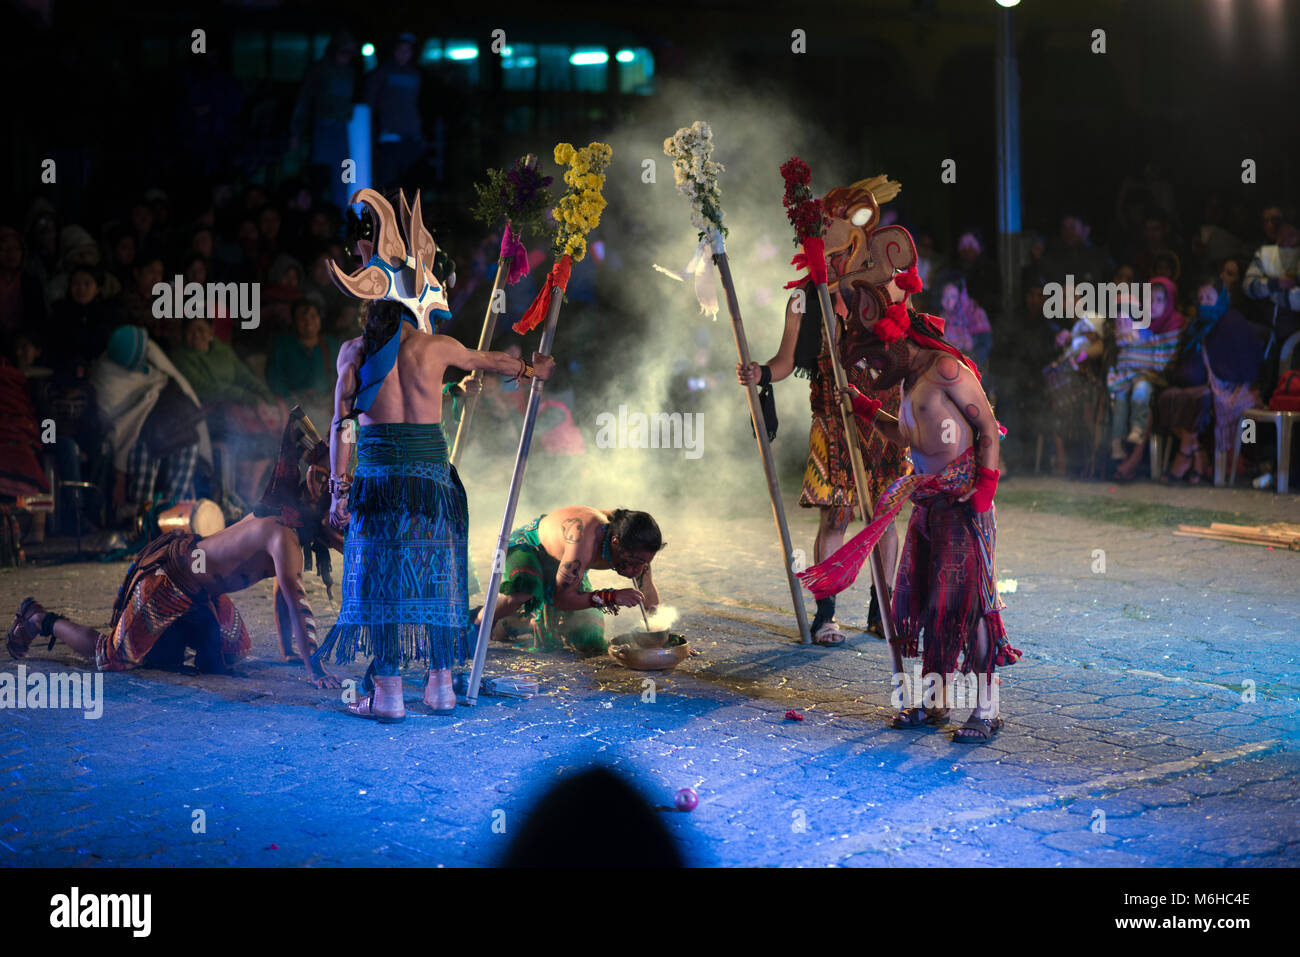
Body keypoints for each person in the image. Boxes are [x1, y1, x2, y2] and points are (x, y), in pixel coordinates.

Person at [311, 187, 556, 722]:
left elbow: (342, 426)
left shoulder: (354, 352)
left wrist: (338, 490)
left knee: (383, 581)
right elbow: (487, 358)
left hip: (379, 483)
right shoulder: (436, 348)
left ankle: (391, 694)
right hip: (430, 483)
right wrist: (529, 368)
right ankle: (441, 687)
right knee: (435, 577)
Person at [798, 296, 1021, 744]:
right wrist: (863, 407)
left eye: (879, 354)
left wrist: (985, 490)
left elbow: (987, 427)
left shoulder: (945, 369)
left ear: (899, 340)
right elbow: (906, 435)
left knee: (969, 607)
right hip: (927, 502)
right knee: (930, 605)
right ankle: (936, 703)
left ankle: (985, 710)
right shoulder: (911, 379)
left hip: (961, 502)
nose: (875, 366)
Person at [7, 411, 343, 688]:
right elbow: (297, 602)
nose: (339, 523)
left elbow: (284, 594)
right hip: (173, 577)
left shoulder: (287, 529)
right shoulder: (283, 533)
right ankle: (41, 618)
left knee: (233, 647)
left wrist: (290, 654)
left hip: (199, 585)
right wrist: (316, 671)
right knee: (112, 657)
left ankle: (169, 635)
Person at [737, 175, 912, 644]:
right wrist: (760, 374)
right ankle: (826, 613)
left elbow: (904, 343)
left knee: (883, 514)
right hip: (833, 417)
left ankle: (882, 609)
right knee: (834, 515)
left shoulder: (885, 285)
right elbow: (786, 360)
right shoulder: (803, 296)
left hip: (881, 415)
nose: (840, 243)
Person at [477, 507, 663, 656]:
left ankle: (521, 621)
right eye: (635, 562)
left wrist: (661, 640)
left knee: (590, 639)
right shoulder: (585, 537)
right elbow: (562, 598)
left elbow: (648, 592)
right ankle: (479, 621)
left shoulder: (637, 546)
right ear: (615, 542)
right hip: (527, 547)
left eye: (644, 563)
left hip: (566, 565)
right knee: (525, 590)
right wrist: (611, 596)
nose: (639, 569)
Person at [1155, 279, 1266, 483]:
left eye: (1209, 297)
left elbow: (1244, 364)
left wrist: (1214, 376)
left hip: (1229, 386)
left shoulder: (1232, 322)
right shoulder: (1196, 325)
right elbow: (1184, 359)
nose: (1204, 302)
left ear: (1220, 298)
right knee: (1167, 396)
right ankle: (1196, 453)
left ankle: (1186, 454)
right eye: (1201, 298)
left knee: (1202, 398)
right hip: (1198, 384)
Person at [1109, 276, 1184, 481]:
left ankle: (1133, 460)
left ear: (1169, 302)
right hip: (1137, 378)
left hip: (1164, 382)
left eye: (1160, 300)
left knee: (1144, 400)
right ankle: (1114, 454)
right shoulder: (1136, 324)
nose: (1153, 305)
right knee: (1121, 395)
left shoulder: (1175, 323)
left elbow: (1169, 364)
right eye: (1150, 299)